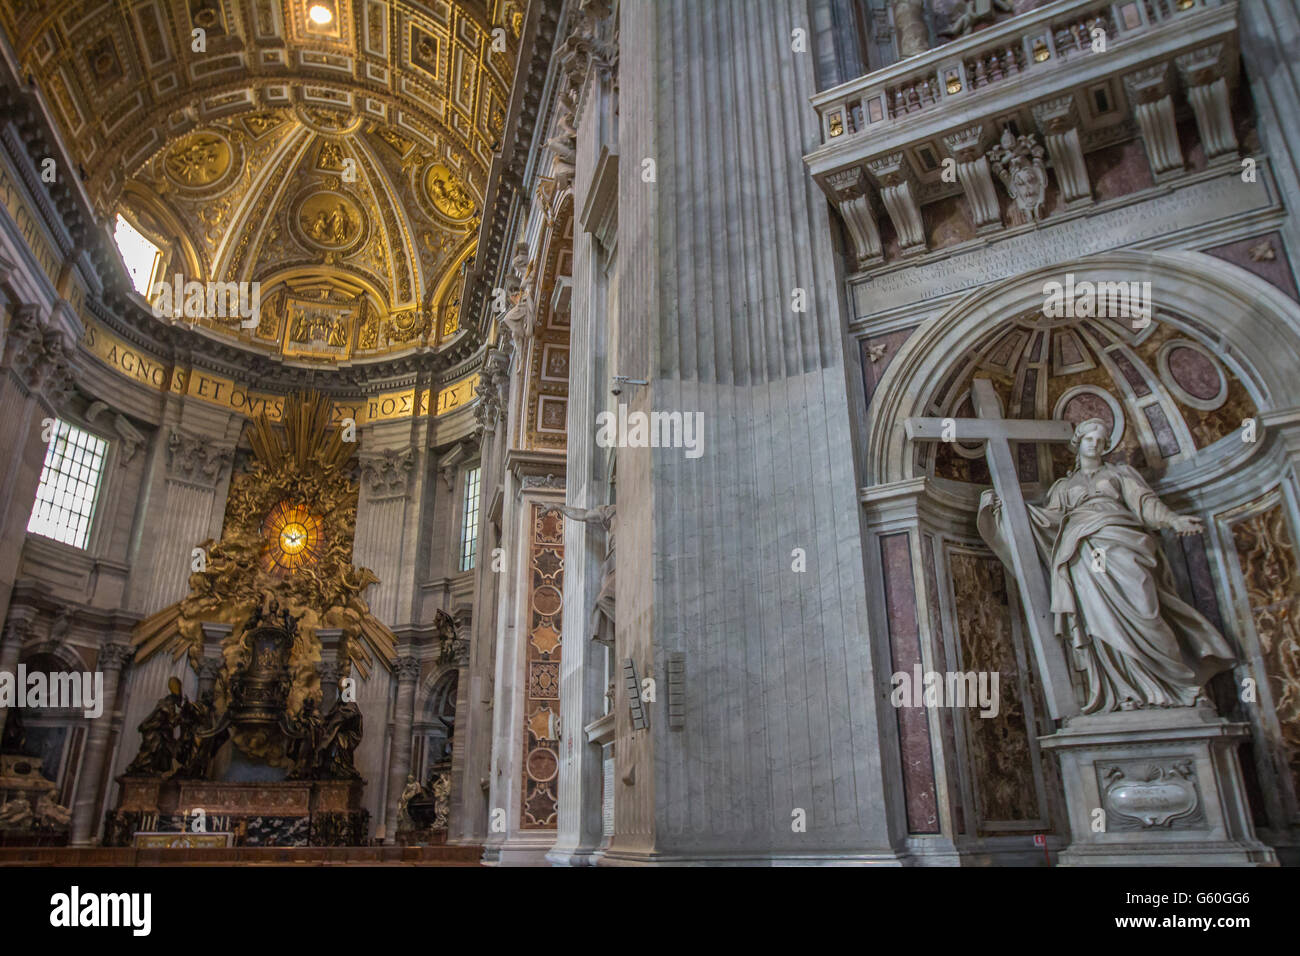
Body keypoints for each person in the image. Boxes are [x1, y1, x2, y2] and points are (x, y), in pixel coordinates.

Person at [978, 417, 1235, 713]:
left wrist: (1173, 520)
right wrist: (1009, 508)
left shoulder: (1120, 474)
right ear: (1078, 442)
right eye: (1090, 439)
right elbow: (1048, 521)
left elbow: (1145, 504)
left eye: (1101, 440)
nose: (1096, 444)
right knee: (1100, 620)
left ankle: (1180, 685)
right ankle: (1125, 691)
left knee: (1144, 609)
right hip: (1082, 555)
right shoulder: (1064, 486)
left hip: (1122, 545)